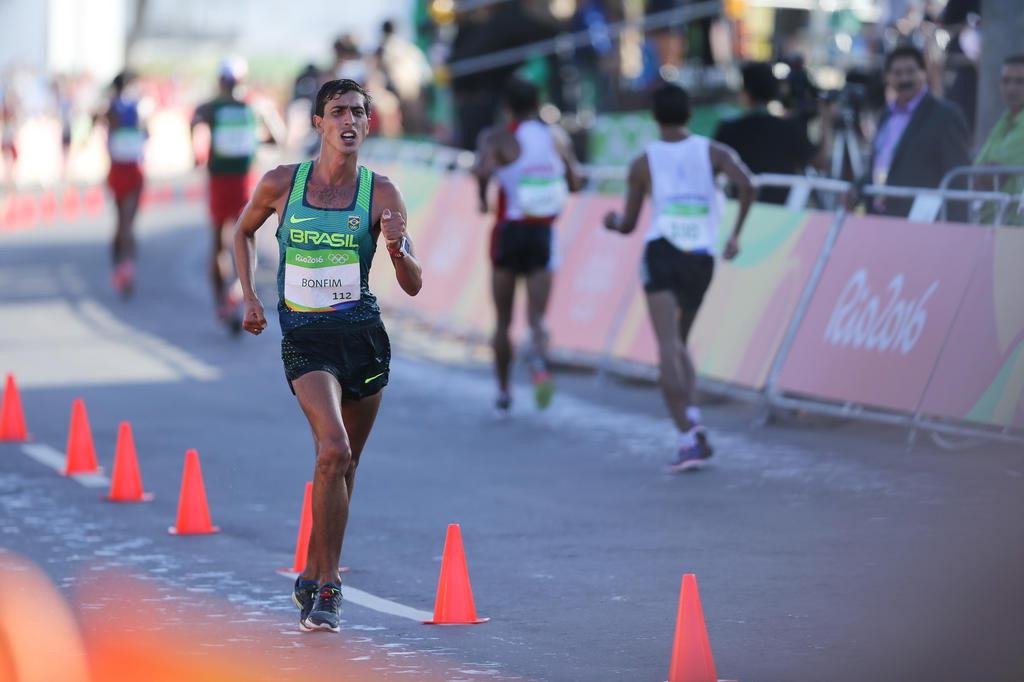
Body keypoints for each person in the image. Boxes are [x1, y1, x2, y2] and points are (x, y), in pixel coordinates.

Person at [233, 79, 422, 633]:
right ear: (317, 122)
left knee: (345, 464)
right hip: (305, 338)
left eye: (358, 112)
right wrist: (247, 294)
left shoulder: (381, 194)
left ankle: (315, 570)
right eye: (338, 111)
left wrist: (394, 247)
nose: (349, 120)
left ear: (368, 124)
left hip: (362, 337)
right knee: (331, 449)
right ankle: (332, 585)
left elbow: (412, 283)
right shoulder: (281, 184)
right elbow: (242, 234)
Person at [602, 83, 754, 472]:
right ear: (689, 113)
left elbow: (630, 223)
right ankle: (694, 419)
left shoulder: (643, 162)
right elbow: (748, 183)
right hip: (701, 257)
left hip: (663, 250)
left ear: (655, 116)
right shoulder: (714, 151)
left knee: (668, 345)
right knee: (681, 342)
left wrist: (612, 222)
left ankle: (688, 434)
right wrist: (735, 233)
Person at [473, 77, 584, 416]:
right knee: (537, 317)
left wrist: (482, 199)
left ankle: (504, 390)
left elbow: (481, 170)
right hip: (542, 233)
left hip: (508, 233)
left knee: (503, 320)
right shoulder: (556, 136)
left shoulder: (497, 138)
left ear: (506, 106)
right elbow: (576, 181)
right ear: (538, 104)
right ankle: (539, 364)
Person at [192, 57, 276, 332]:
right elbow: (278, 135)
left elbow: (194, 121)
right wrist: (254, 138)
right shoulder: (255, 104)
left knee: (218, 242)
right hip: (246, 181)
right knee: (247, 238)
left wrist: (196, 154)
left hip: (219, 180)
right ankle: (239, 292)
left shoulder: (210, 106)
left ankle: (220, 303)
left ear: (220, 80)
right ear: (243, 80)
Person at [846, 45, 971, 218]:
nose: (904, 78)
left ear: (923, 73)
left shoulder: (945, 115)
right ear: (887, 77)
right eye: (897, 73)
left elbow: (958, 175)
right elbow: (883, 166)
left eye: (910, 71)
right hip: (880, 218)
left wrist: (957, 229)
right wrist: (857, 187)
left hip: (923, 223)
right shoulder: (886, 115)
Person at [713, 61, 819, 204]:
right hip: (784, 210)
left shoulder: (728, 129)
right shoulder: (791, 128)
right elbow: (819, 163)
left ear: (745, 93)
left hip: (739, 208)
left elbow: (714, 170)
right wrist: (827, 119)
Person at [100, 72, 147, 296]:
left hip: (118, 169)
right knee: (127, 223)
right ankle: (126, 269)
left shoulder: (110, 107)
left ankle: (119, 267)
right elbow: (146, 133)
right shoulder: (136, 107)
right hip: (130, 169)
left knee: (121, 221)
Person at [974, 54, 1024, 226]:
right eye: (1006, 81)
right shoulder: (1005, 119)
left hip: (1015, 231)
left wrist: (974, 173)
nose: (1011, 88)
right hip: (994, 227)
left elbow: (990, 176)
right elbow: (980, 170)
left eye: (1020, 81)